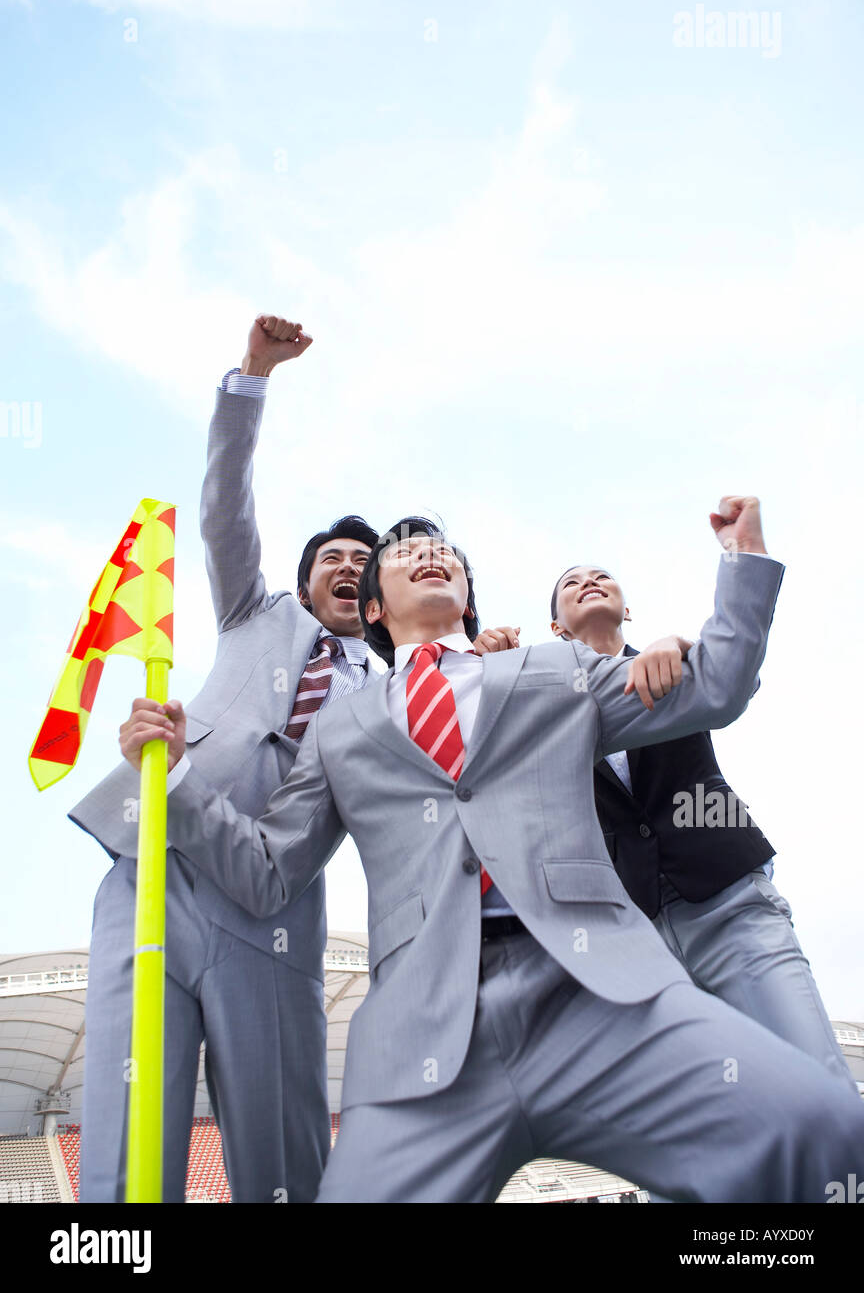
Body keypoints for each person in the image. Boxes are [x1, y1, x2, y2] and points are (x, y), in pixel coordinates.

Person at [119, 501, 864, 1202]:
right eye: (407, 552)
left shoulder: (556, 671)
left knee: (826, 1131)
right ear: (373, 607)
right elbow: (268, 870)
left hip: (600, 999)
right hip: (424, 1046)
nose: (430, 555)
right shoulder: (338, 729)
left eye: (445, 551)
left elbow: (716, 689)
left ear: (468, 595)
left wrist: (743, 564)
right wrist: (178, 777)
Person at [69, 314, 379, 1202]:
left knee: (281, 1160)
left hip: (271, 922)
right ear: (306, 575)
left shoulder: (392, 698)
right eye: (335, 557)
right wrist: (253, 377)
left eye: (368, 560)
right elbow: (223, 513)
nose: (350, 566)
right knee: (129, 1150)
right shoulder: (257, 612)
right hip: (152, 870)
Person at [549, 560, 857, 1093]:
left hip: (728, 901)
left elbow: (734, 677)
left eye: (601, 576)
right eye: (571, 584)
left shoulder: (671, 665)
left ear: (627, 610)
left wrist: (684, 646)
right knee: (689, 1120)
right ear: (555, 629)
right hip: (636, 934)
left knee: (813, 1081)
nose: (588, 583)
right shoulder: (546, 707)